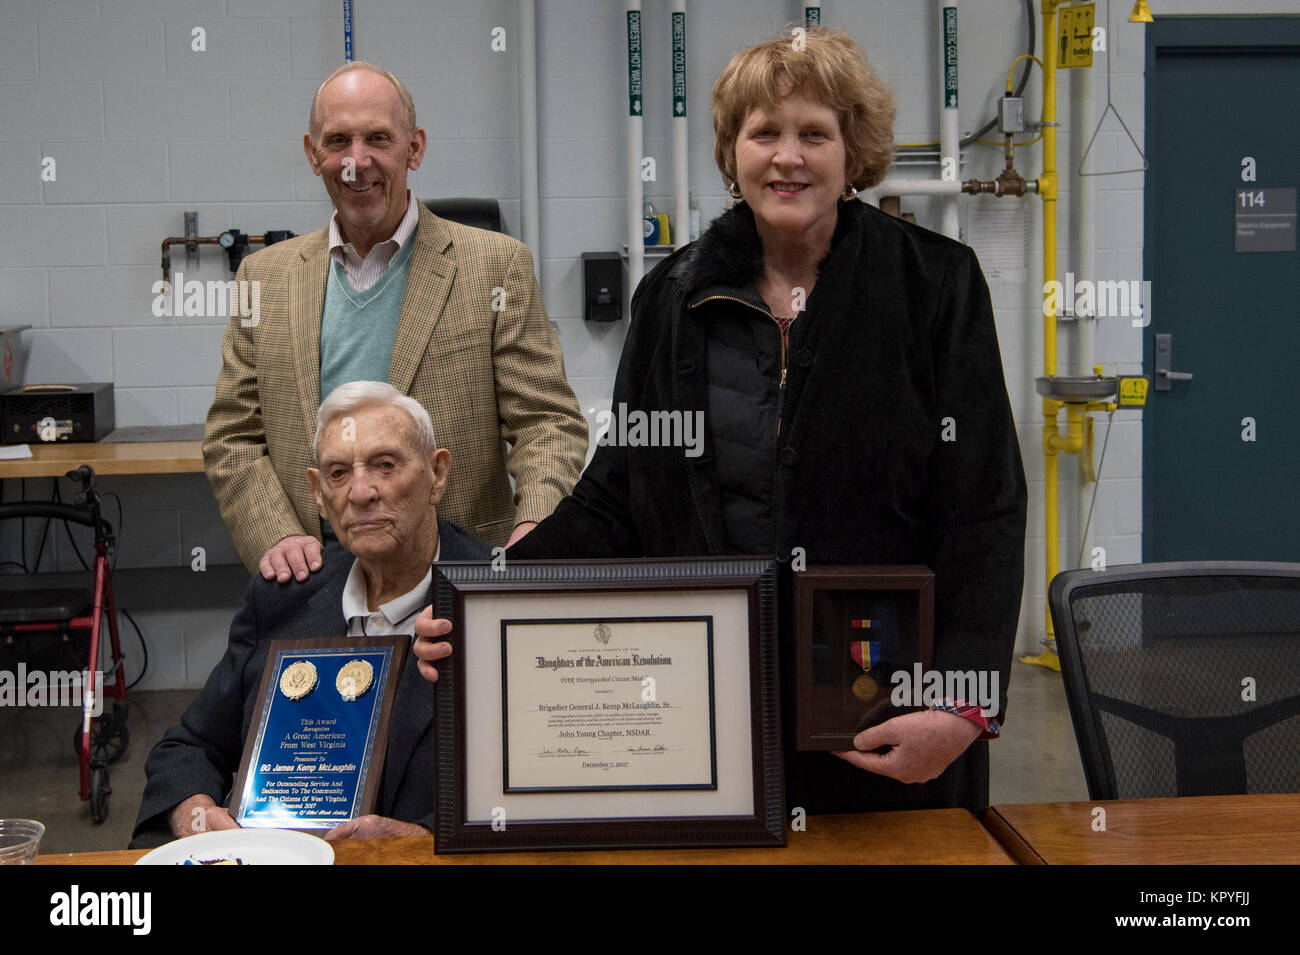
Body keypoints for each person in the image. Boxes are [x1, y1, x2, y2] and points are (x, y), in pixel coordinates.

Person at [415, 27, 1027, 815]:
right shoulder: (673, 297)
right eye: (764, 132)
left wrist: (964, 702)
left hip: (887, 705)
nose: (788, 157)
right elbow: (619, 490)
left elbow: (985, 506)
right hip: (708, 705)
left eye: (815, 133)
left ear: (853, 151)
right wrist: (488, 591)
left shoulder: (935, 285)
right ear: (733, 151)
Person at [203, 60, 587, 582]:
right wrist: (275, 533)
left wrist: (535, 525)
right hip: (314, 579)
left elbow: (547, 421)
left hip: (458, 574)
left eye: (378, 139)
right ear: (313, 154)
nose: (355, 163)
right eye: (337, 141)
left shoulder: (494, 265)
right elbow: (233, 436)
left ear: (415, 148)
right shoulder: (263, 279)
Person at [133, 382, 490, 847]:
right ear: (318, 493)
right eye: (338, 473)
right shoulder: (285, 598)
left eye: (385, 465)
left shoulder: (495, 605)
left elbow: (543, 789)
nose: (361, 493)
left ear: (437, 474)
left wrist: (421, 839)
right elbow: (188, 747)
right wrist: (194, 813)